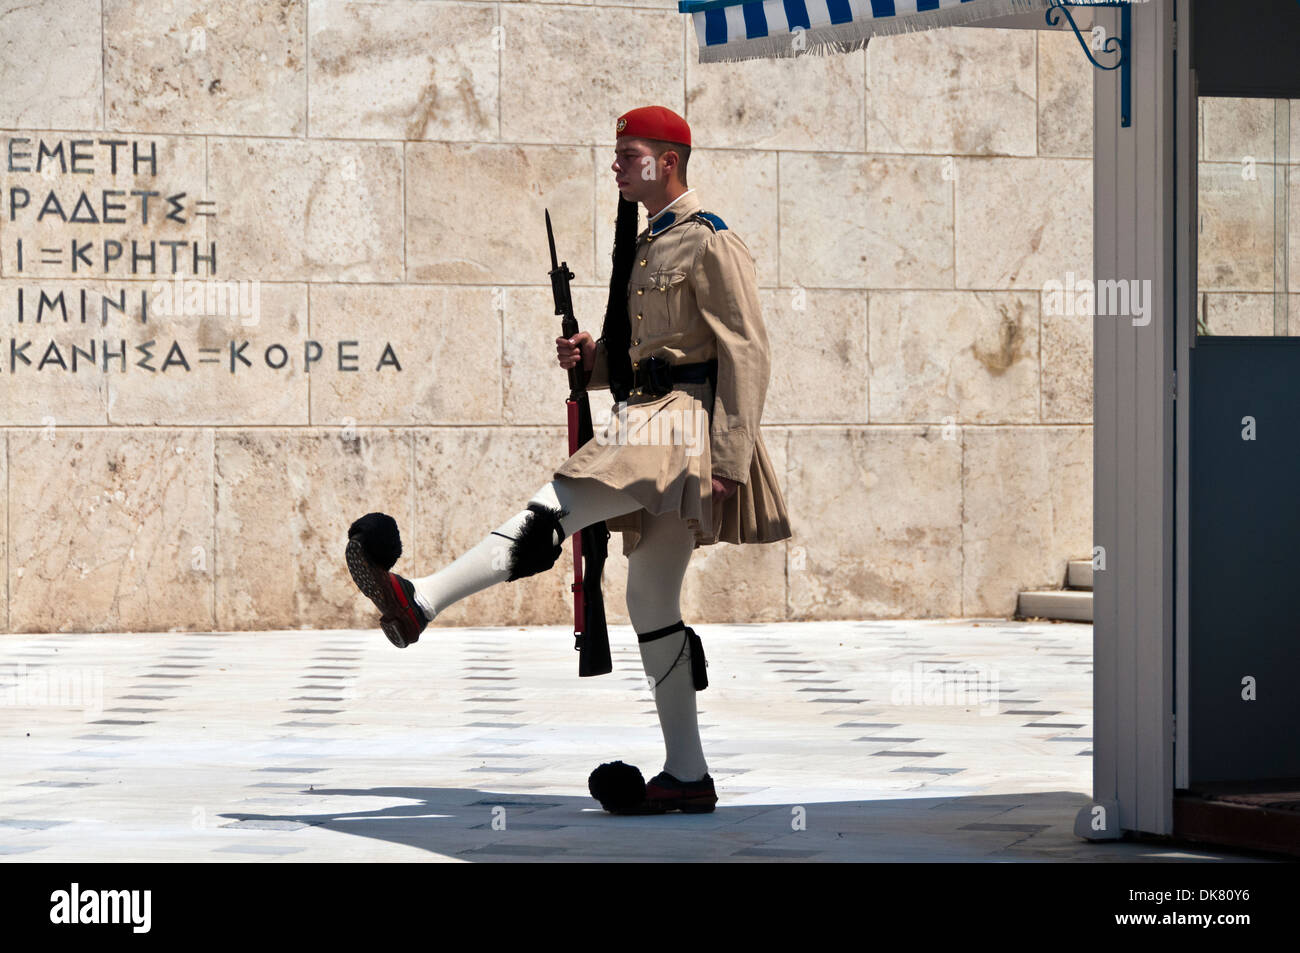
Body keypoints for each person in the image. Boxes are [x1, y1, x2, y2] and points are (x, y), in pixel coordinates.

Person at [345, 105, 791, 814]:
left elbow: (745, 351)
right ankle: (688, 773)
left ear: (668, 161)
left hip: (683, 430)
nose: (617, 164)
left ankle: (420, 600)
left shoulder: (711, 242)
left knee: (557, 503)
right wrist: (594, 362)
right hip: (649, 417)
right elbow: (648, 355)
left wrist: (730, 460)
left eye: (630, 154)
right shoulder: (650, 242)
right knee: (649, 596)